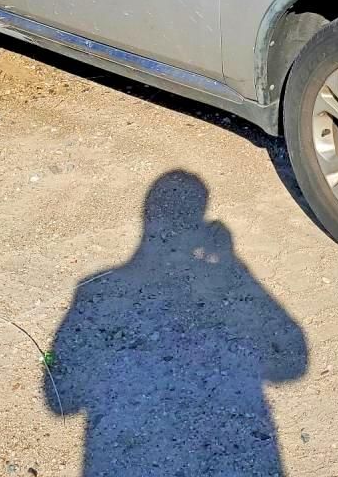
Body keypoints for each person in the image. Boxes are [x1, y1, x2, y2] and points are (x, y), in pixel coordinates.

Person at [47, 171, 308, 476]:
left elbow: (60, 401)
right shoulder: (96, 288)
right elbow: (293, 362)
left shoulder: (95, 289)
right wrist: (233, 266)